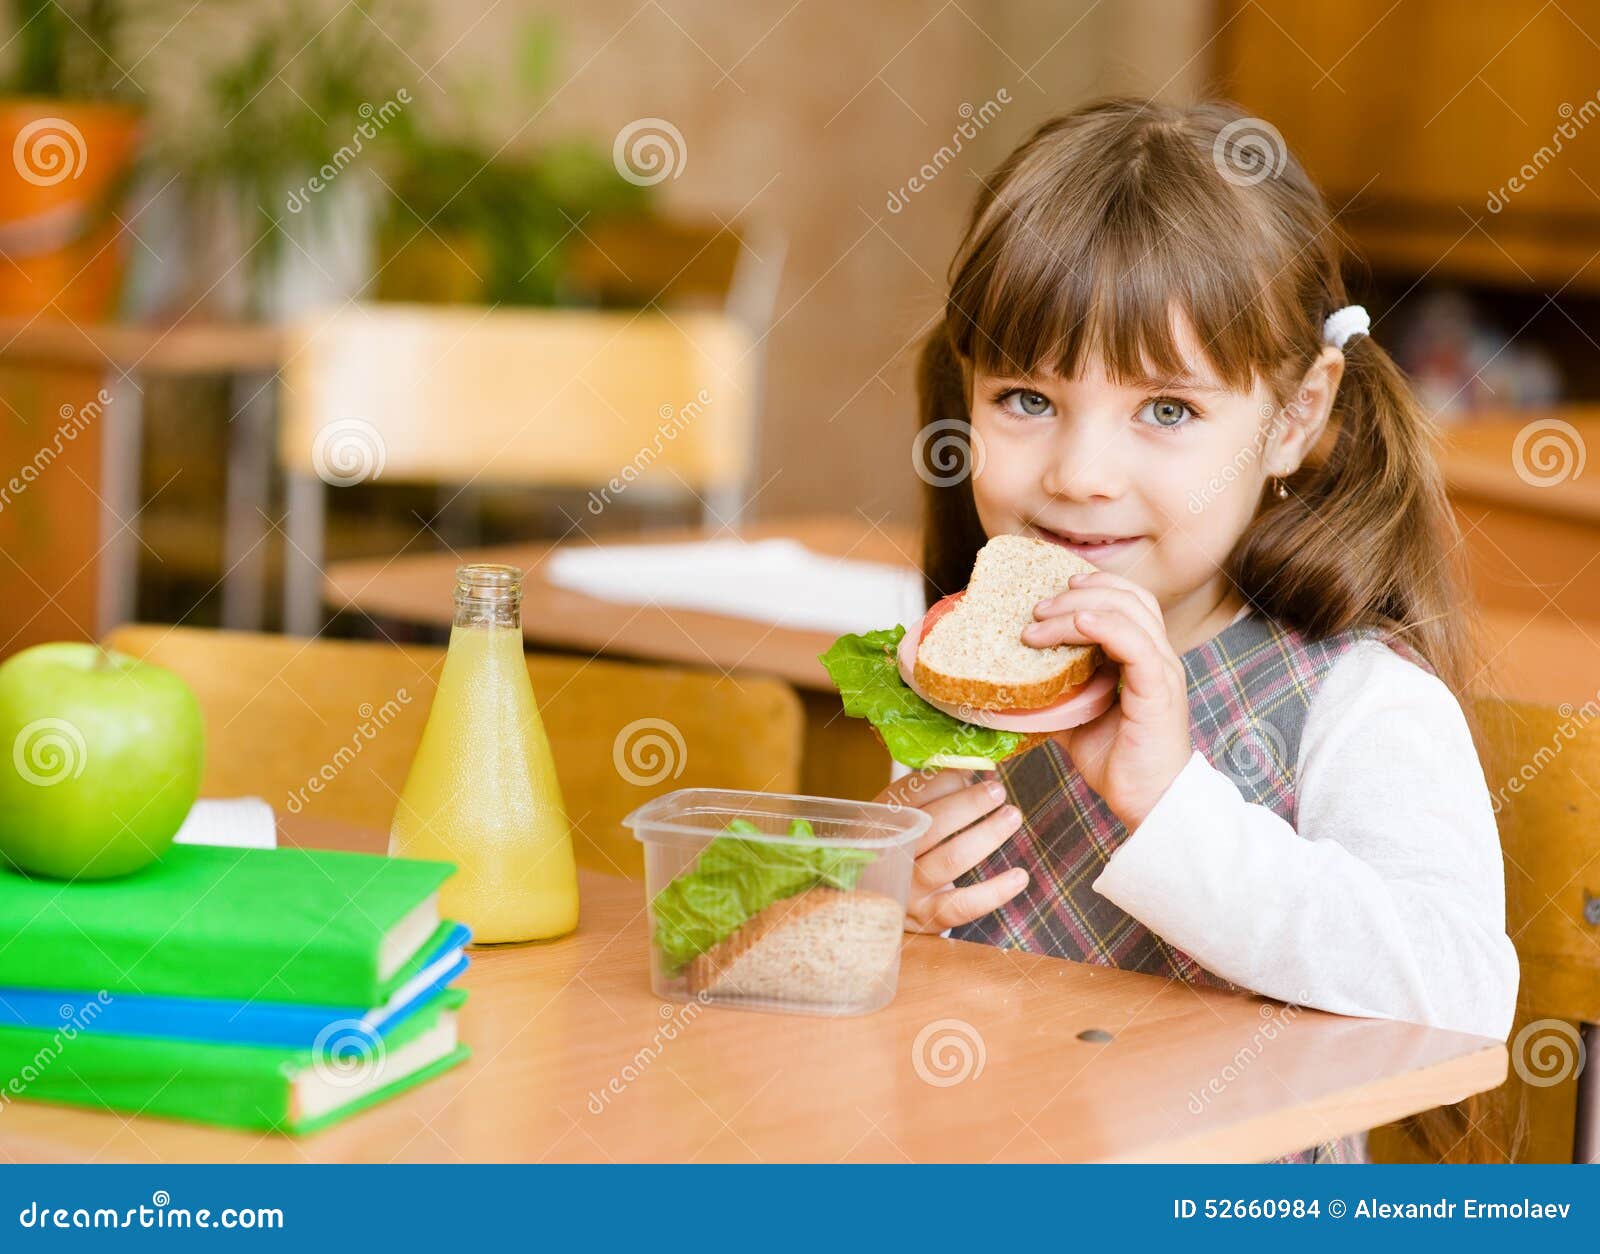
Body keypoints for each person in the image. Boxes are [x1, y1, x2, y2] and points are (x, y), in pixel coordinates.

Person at [883, 97, 1518, 1164]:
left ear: (1294, 418)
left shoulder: (1360, 703)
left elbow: (1458, 998)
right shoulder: (976, 674)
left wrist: (1174, 802)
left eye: (1166, 412)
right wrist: (888, 900)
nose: (1079, 475)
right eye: (1025, 400)